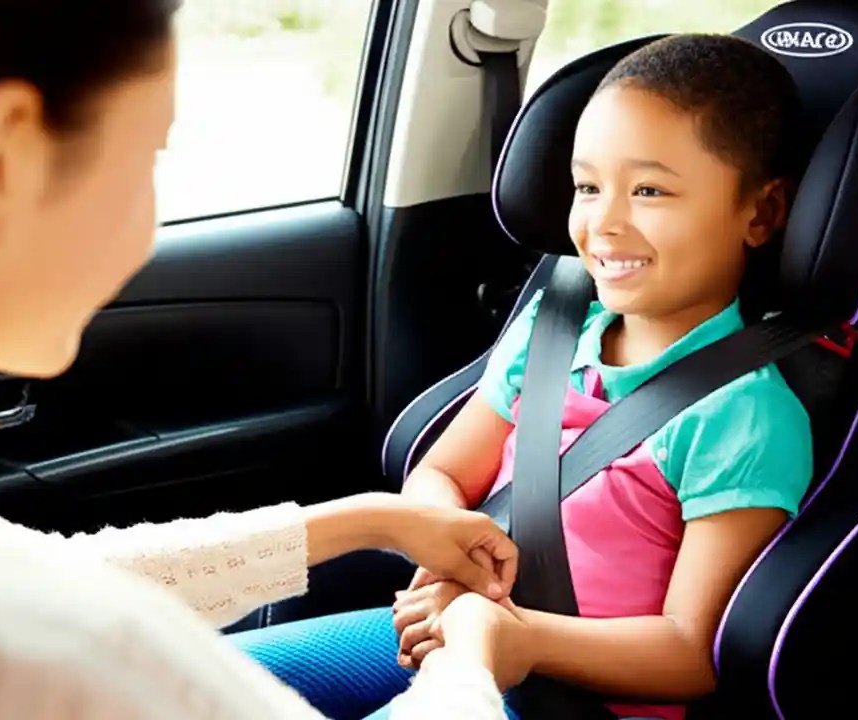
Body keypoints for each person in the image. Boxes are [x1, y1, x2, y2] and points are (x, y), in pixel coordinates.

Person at [0, 2, 525, 718]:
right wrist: (470, 669)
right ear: (4, 162)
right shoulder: (65, 668)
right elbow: (49, 610)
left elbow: (38, 577)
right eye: (150, 157)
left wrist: (371, 520)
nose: (146, 228)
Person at [232, 33, 813, 720]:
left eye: (649, 191)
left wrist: (522, 639)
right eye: (588, 187)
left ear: (761, 213)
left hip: (576, 703)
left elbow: (690, 652)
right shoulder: (553, 327)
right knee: (194, 679)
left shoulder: (744, 416)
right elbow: (443, 474)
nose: (604, 222)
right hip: (465, 633)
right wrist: (448, 548)